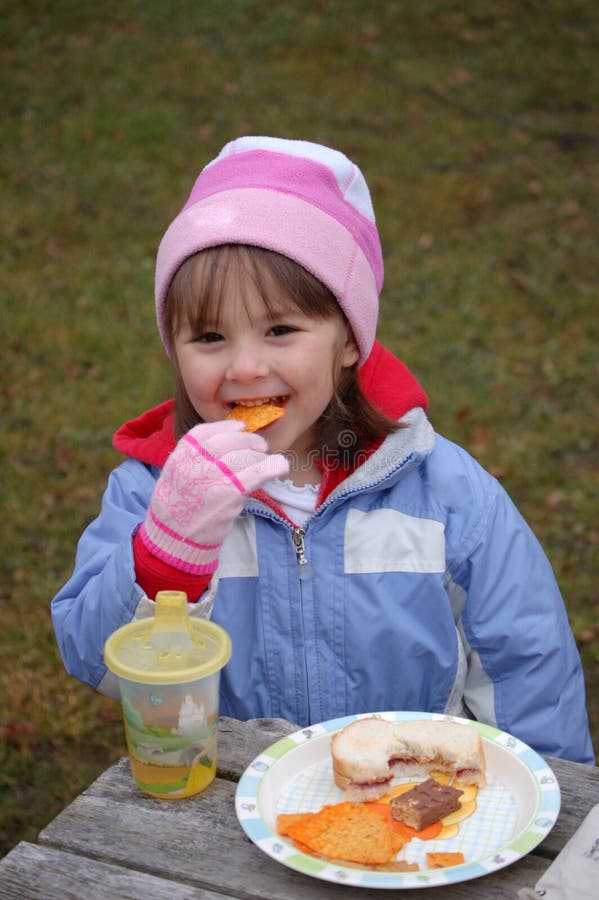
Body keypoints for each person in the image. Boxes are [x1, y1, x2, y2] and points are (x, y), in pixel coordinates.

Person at [51, 136, 594, 764]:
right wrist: (166, 555)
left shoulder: (445, 494)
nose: (246, 367)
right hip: (226, 800)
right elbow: (98, 665)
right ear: (174, 348)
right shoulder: (150, 493)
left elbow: (527, 664)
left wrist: (557, 809)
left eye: (280, 330)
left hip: (413, 805)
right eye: (209, 336)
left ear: (348, 342)